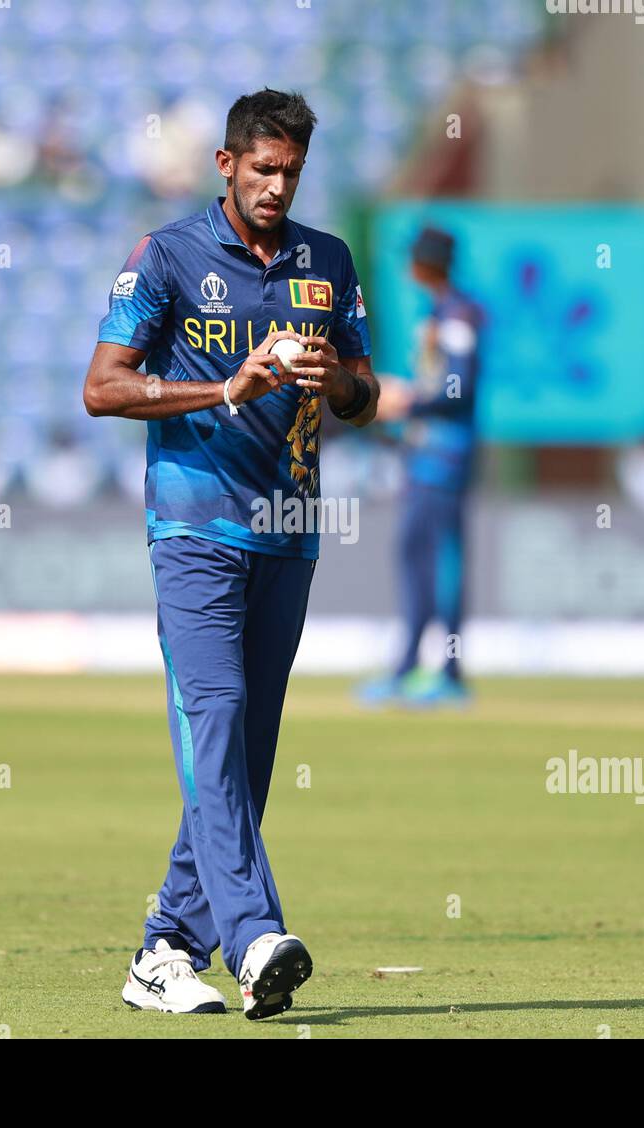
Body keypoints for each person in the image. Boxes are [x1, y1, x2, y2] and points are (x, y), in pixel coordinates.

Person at [82, 89, 378, 1019]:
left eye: (291, 173)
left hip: (290, 530)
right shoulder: (166, 254)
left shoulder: (326, 263)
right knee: (214, 715)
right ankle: (253, 940)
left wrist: (341, 380)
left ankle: (164, 950)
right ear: (226, 165)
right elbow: (103, 389)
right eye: (262, 171)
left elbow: (366, 393)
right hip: (196, 528)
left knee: (246, 754)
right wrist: (223, 387)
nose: (277, 188)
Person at [359, 226, 484, 708]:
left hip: (444, 457)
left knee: (435, 558)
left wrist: (407, 402)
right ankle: (418, 665)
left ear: (429, 262)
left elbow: (459, 386)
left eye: (414, 259)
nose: (409, 267)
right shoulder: (439, 312)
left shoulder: (459, 314)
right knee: (419, 555)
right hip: (426, 454)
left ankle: (440, 670)